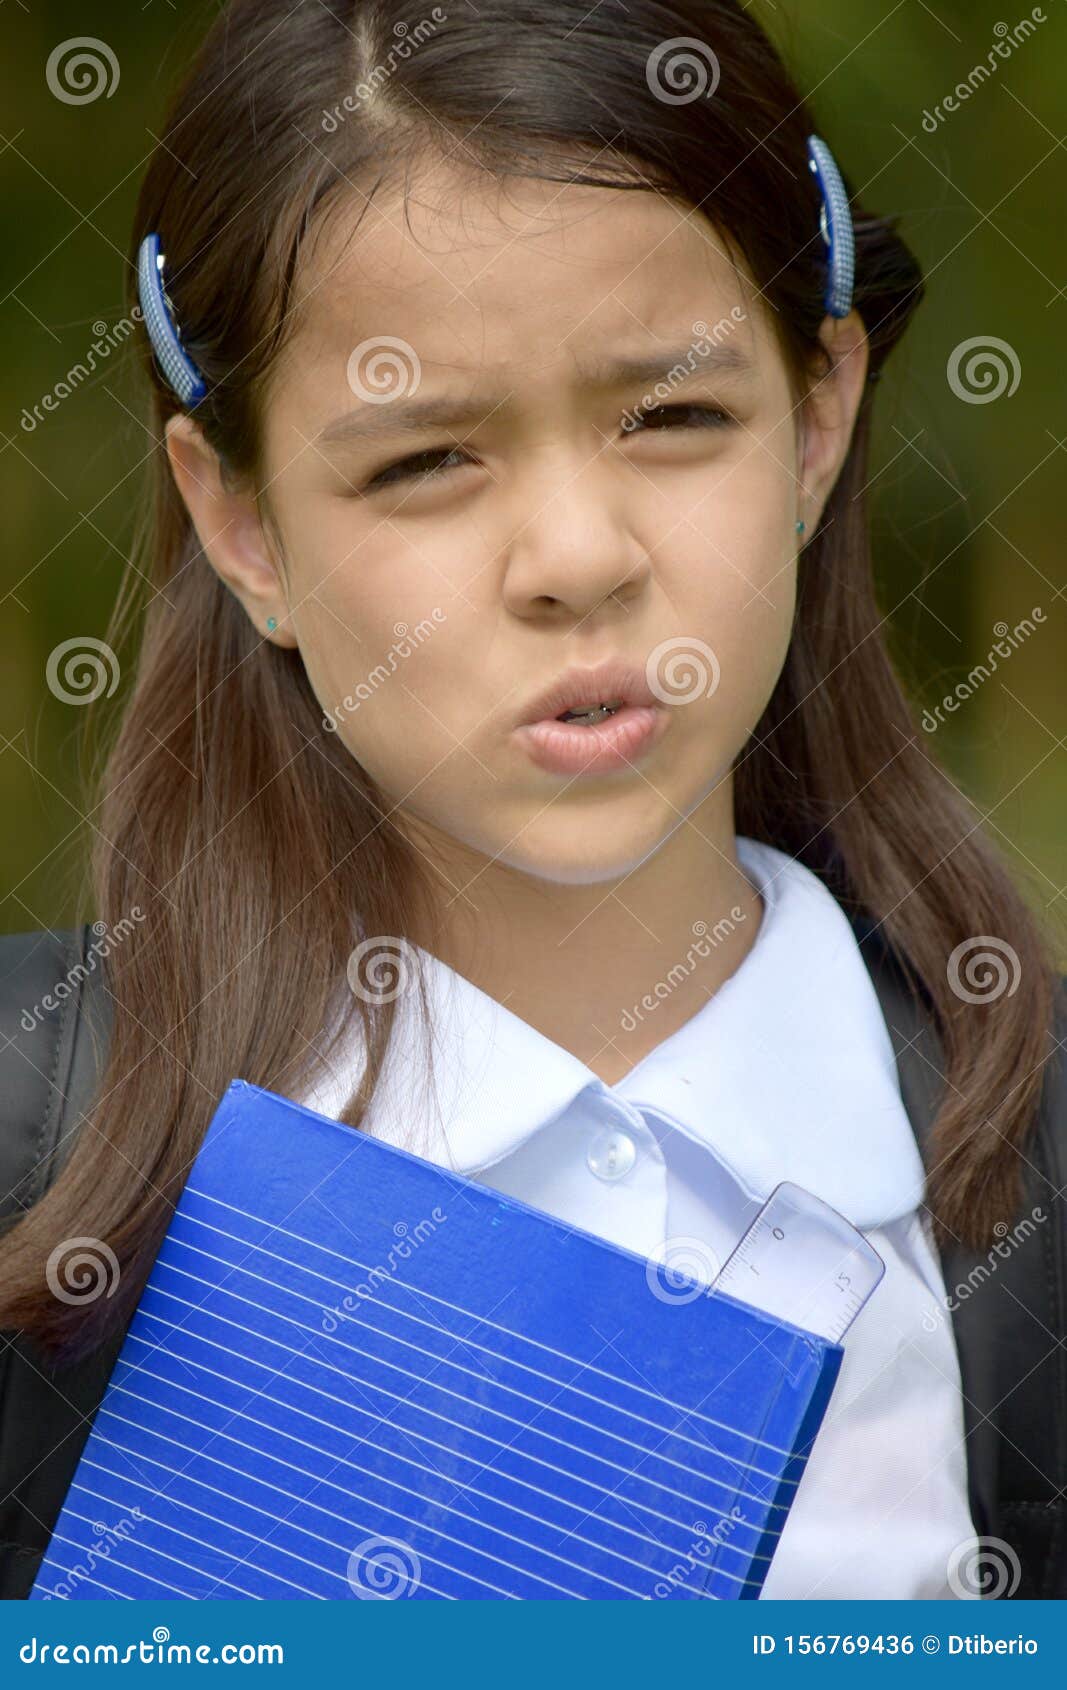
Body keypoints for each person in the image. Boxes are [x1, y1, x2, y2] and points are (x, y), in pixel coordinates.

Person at [1, 0, 1064, 1603]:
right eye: (425, 459)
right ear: (243, 526)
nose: (577, 558)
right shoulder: (34, 1158)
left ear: (820, 416)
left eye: (675, 416)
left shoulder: (1030, 1175)